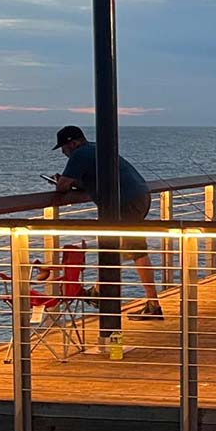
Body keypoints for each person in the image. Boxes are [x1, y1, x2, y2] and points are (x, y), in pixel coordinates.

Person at [52, 125, 163, 320]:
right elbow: (95, 180)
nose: (63, 153)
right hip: (138, 196)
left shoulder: (80, 154)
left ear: (73, 143)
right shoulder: (96, 148)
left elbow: (61, 187)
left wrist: (61, 181)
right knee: (115, 245)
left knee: (133, 249)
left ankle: (151, 304)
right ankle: (99, 290)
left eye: (64, 148)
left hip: (125, 202)